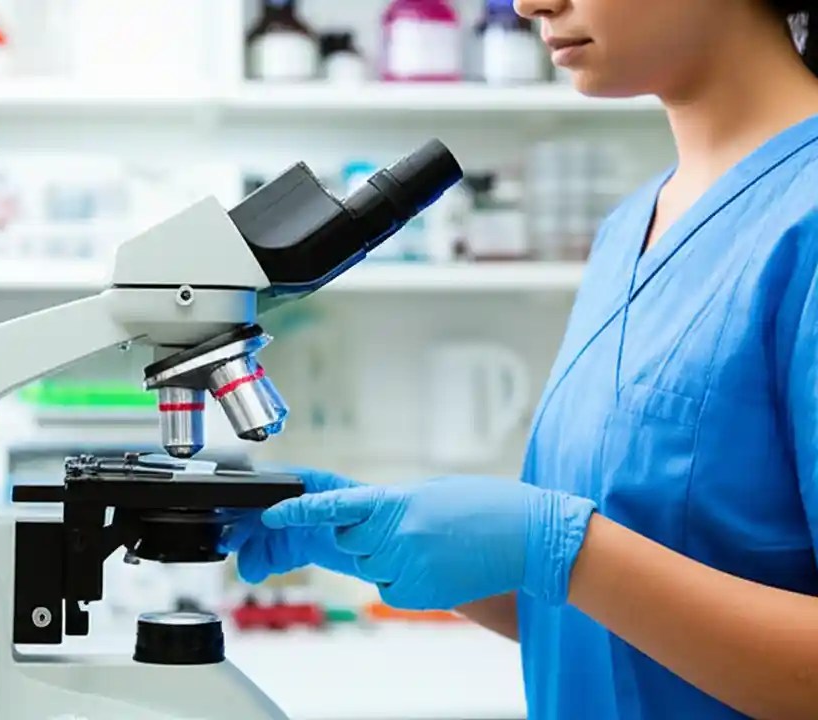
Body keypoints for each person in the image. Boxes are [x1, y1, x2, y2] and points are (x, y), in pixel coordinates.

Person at [223, 1, 818, 718]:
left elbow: (579, 563)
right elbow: (595, 619)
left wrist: (563, 549)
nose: (529, 2)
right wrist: (368, 532)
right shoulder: (630, 227)